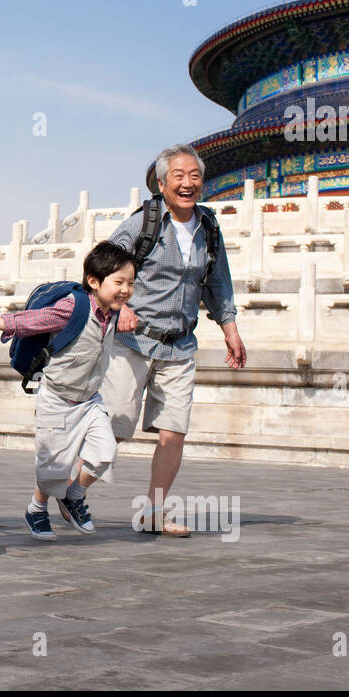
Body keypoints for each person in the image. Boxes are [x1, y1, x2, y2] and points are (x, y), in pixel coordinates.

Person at [104, 144, 247, 536]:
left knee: (173, 433)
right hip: (133, 341)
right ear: (162, 184)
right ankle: (71, 490)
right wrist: (119, 308)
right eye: (179, 177)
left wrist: (230, 328)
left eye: (194, 176)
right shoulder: (145, 223)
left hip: (180, 345)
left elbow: (218, 283)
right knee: (116, 426)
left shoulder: (208, 227)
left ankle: (154, 511)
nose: (187, 184)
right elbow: (102, 263)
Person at [0, 242, 135, 540]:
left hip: (90, 400)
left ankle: (73, 495)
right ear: (94, 281)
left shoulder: (112, 312)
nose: (126, 290)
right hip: (56, 399)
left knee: (105, 453)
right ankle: (36, 509)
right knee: (52, 467)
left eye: (131, 283)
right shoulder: (73, 306)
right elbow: (27, 323)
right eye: (119, 282)